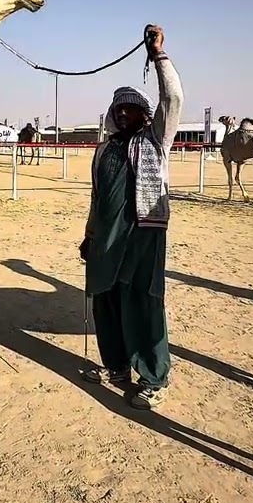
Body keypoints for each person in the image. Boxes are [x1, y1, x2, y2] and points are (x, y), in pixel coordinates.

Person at [78, 24, 183, 409]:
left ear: (145, 114)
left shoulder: (156, 140)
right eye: (118, 108)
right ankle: (118, 366)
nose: (124, 113)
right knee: (106, 299)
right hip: (105, 237)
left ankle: (154, 376)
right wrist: (89, 235)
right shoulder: (103, 150)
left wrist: (158, 56)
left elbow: (173, 97)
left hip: (143, 234)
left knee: (143, 299)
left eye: (132, 108)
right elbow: (97, 196)